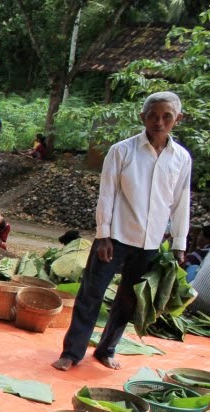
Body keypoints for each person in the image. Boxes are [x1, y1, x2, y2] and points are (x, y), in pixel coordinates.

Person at [52, 91, 191, 371]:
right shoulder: (122, 151)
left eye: (166, 116)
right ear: (143, 117)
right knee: (92, 294)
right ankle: (72, 353)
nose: (159, 122)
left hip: (150, 242)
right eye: (153, 116)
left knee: (129, 299)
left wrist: (179, 243)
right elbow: (107, 195)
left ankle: (107, 349)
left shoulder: (181, 159)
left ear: (178, 119)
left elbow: (180, 201)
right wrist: (102, 235)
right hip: (114, 238)